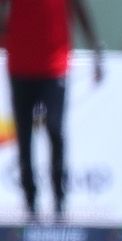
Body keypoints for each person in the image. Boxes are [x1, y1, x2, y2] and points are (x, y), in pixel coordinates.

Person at [0, 0, 102, 221]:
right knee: (24, 136)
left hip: (54, 65)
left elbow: (80, 11)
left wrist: (96, 50)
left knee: (55, 129)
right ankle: (30, 203)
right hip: (20, 65)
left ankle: (59, 202)